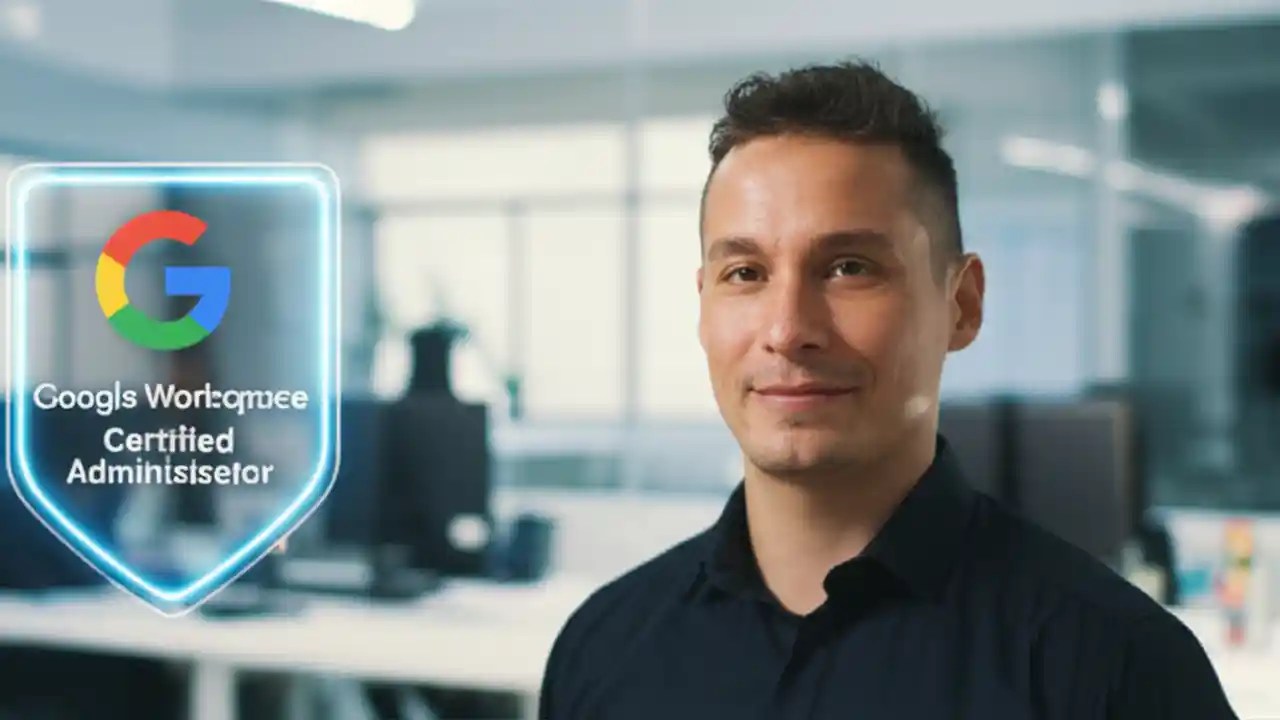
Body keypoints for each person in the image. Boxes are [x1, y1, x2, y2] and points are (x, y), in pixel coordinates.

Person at [538, 60, 1237, 719]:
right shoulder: (603, 649)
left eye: (847, 267)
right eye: (745, 274)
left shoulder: (1116, 666)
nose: (787, 330)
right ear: (703, 305)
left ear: (961, 304)